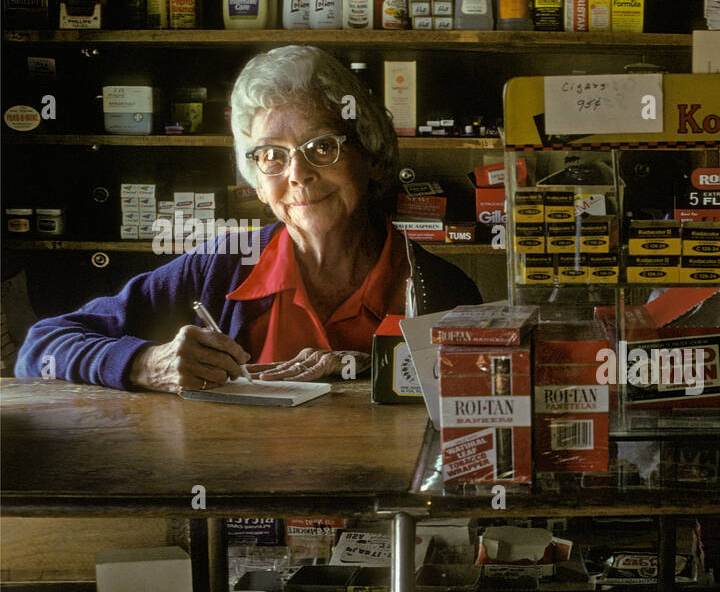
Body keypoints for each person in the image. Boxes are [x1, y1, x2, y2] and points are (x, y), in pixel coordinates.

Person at [16, 45, 481, 392]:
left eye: (322, 146)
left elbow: (471, 419)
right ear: (257, 182)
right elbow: (40, 346)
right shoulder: (220, 266)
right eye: (271, 156)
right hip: (246, 514)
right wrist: (144, 362)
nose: (297, 174)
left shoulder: (443, 291)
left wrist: (360, 368)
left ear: (372, 155)